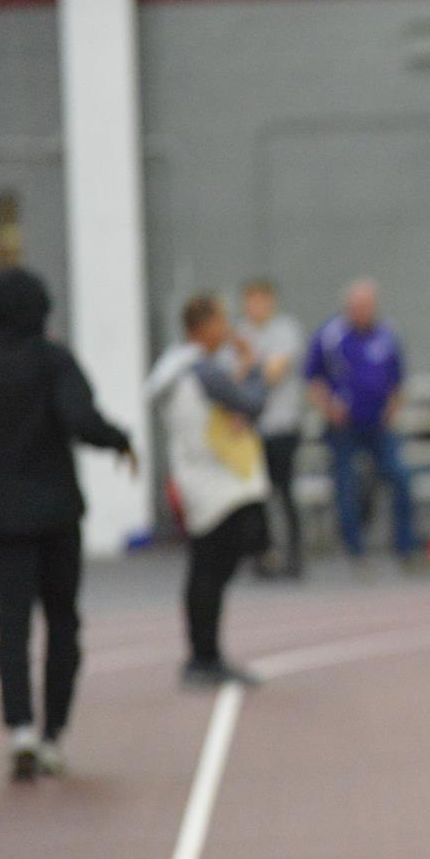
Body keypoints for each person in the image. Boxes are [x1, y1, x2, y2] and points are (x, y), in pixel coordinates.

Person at [0, 267, 135, 781]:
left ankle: (20, 729)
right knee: (62, 621)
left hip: (3, 521)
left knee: (10, 628)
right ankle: (54, 732)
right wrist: (119, 440)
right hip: (56, 513)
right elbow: (80, 419)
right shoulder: (53, 360)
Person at [147, 294, 271, 687]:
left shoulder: (172, 368)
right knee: (214, 568)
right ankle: (204, 657)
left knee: (206, 568)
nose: (227, 328)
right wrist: (254, 369)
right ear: (203, 326)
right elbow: (251, 404)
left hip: (194, 474)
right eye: (221, 320)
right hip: (219, 480)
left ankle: (204, 654)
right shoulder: (202, 369)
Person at [303, 279, 420, 571]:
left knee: (401, 477)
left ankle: (405, 548)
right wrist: (329, 408)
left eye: (368, 305)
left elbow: (398, 379)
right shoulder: (329, 336)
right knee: (346, 485)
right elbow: (311, 379)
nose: (363, 311)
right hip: (344, 427)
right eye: (357, 306)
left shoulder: (387, 335)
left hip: (380, 426)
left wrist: (392, 408)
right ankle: (356, 552)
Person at [237, 279, 305, 579]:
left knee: (284, 491)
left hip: (281, 424)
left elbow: (273, 373)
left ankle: (294, 555)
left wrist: (250, 362)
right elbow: (229, 379)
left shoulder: (285, 330)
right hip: (250, 430)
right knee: (255, 496)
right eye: (252, 301)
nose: (258, 307)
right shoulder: (239, 333)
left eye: (263, 300)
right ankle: (262, 555)